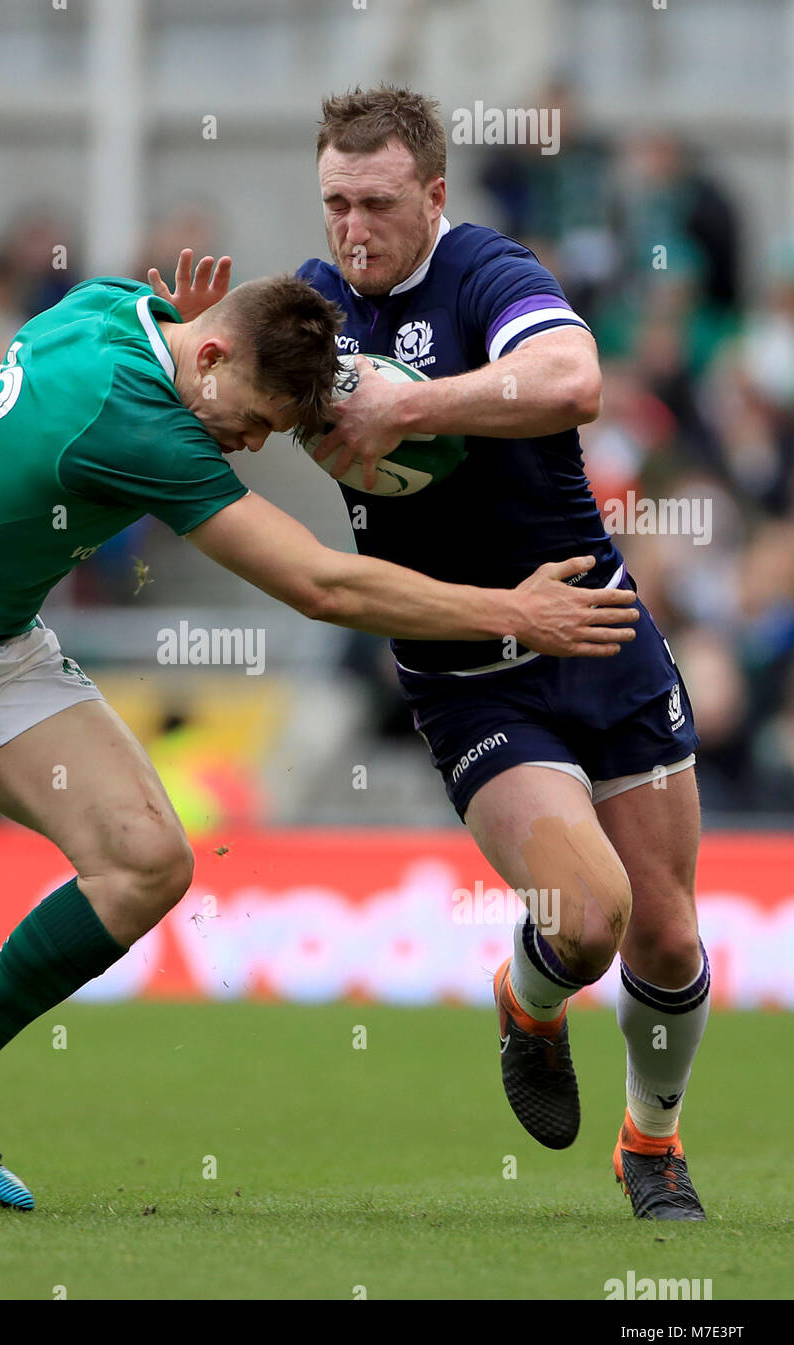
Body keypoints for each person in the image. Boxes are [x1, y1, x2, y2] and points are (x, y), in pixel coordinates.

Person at [0, 269, 636, 1211]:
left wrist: (189, 310)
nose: (249, 445)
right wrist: (511, 611)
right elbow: (320, 586)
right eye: (252, 417)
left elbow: (149, 310)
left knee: (145, 863)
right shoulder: (139, 424)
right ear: (208, 357)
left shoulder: (117, 309)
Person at [151, 85, 706, 1221]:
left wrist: (414, 407)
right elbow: (212, 396)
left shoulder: (484, 272)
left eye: (378, 203)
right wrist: (178, 350)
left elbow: (575, 381)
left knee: (667, 928)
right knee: (588, 917)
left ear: (435, 196)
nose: (353, 230)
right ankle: (529, 994)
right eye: (334, 203)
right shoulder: (304, 309)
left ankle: (651, 1143)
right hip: (469, 669)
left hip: (596, 629)